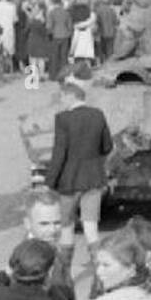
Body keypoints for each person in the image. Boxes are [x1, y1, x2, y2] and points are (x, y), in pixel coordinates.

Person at [45, 76, 114, 273]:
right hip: (94, 179)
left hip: (69, 182)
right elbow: (107, 146)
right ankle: (100, 275)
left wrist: (49, 182)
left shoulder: (63, 119)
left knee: (66, 227)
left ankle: (64, 276)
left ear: (70, 96)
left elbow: (59, 154)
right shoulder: (98, 115)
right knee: (91, 228)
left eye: (62, 98)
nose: (62, 102)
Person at [47, 0, 71, 80]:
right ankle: (64, 76)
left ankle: (53, 76)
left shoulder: (51, 12)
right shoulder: (66, 12)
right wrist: (68, 33)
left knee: (54, 56)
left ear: (54, 3)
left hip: (55, 36)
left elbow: (49, 26)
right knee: (64, 56)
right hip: (65, 35)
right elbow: (69, 26)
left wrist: (50, 34)